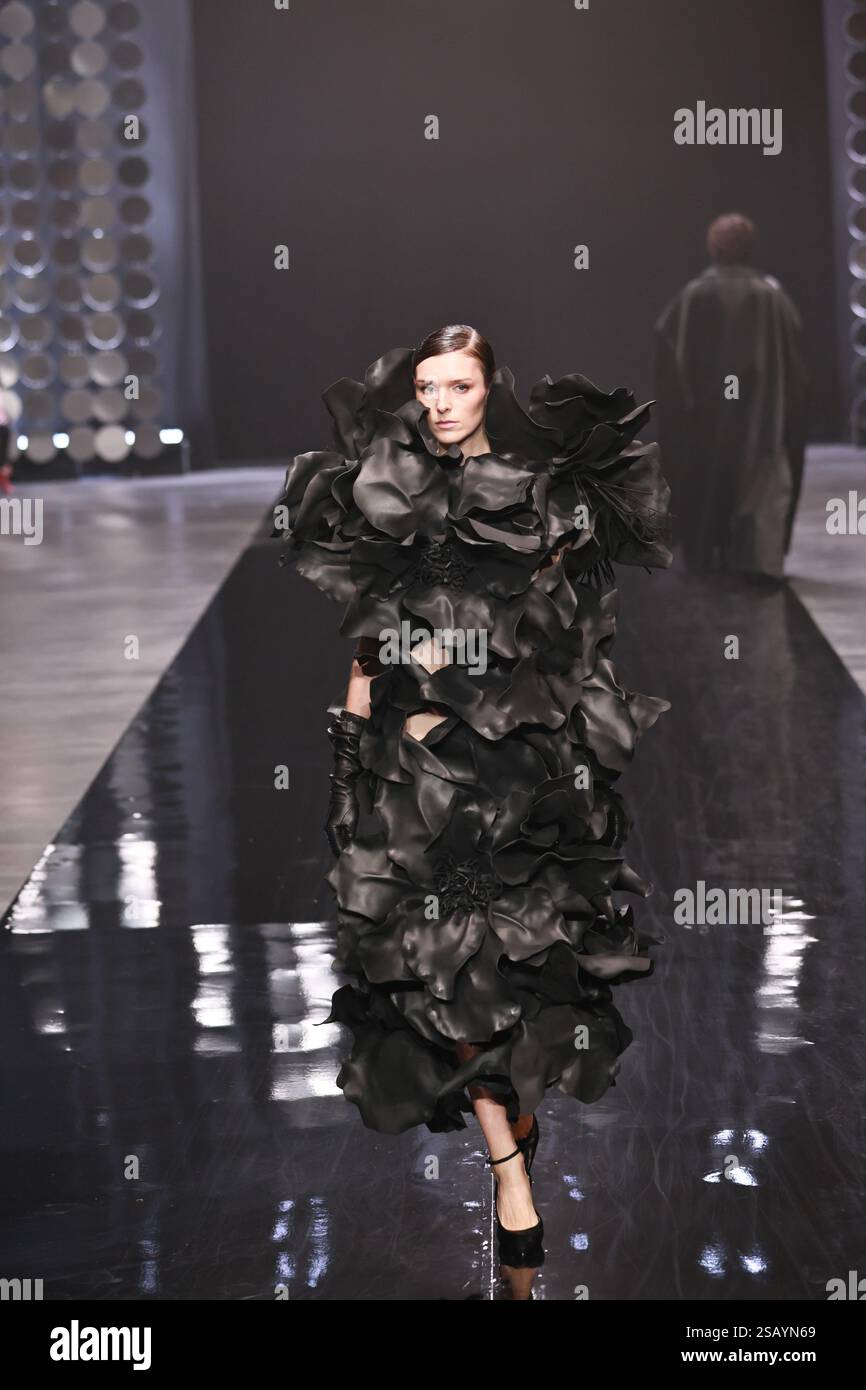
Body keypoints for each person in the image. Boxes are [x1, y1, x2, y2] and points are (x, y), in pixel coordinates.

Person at [272, 324, 672, 1270]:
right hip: (416, 765)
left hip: (517, 768)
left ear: (492, 389)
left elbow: (573, 648)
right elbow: (369, 651)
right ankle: (508, 1169)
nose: (442, 401)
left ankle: (516, 1126)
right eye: (427, 385)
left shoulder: (540, 500)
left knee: (525, 970)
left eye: (459, 384)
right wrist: (346, 765)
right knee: (436, 974)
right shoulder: (383, 500)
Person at [653, 213, 808, 579]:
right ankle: (754, 558)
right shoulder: (772, 295)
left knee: (707, 476)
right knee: (761, 479)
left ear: (713, 246)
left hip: (706, 415)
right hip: (763, 414)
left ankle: (706, 554)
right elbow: (796, 360)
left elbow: (671, 357)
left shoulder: (694, 295)